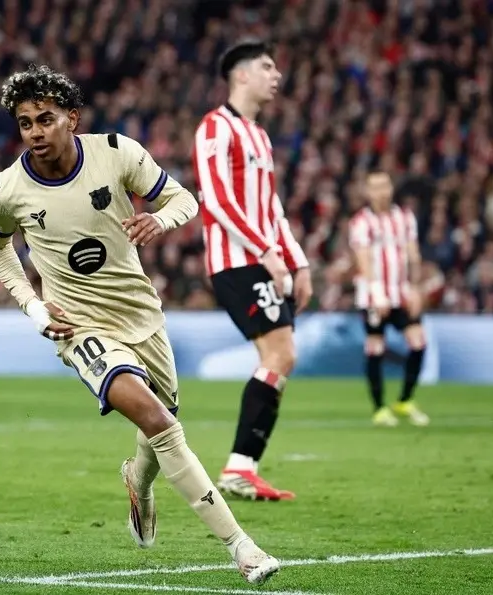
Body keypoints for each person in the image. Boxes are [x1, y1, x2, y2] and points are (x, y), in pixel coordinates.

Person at [0, 63, 279, 585]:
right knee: (160, 422)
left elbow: (184, 199)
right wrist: (32, 305)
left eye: (45, 119)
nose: (35, 132)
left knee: (160, 422)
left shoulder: (117, 152)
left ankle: (137, 481)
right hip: (80, 328)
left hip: (142, 315)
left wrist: (158, 219)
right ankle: (242, 547)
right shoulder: (6, 189)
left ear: (72, 118)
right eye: (25, 123)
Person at [192, 40, 311, 502]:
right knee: (281, 354)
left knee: (280, 358)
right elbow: (217, 200)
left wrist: (297, 260)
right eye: (267, 67)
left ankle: (243, 468)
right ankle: (239, 467)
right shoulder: (215, 127)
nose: (276, 75)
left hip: (263, 259)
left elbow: (272, 208)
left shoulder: (259, 135)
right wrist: (267, 252)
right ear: (241, 75)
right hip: (237, 261)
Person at [349, 170, 429, 427]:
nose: (380, 192)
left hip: (401, 293)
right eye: (375, 187)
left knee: (418, 342)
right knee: (376, 346)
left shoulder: (404, 218)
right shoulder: (361, 222)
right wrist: (377, 293)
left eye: (384, 185)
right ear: (367, 192)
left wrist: (415, 289)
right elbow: (363, 259)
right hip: (374, 296)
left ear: (391, 188)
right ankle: (379, 408)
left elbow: (413, 255)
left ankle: (404, 400)